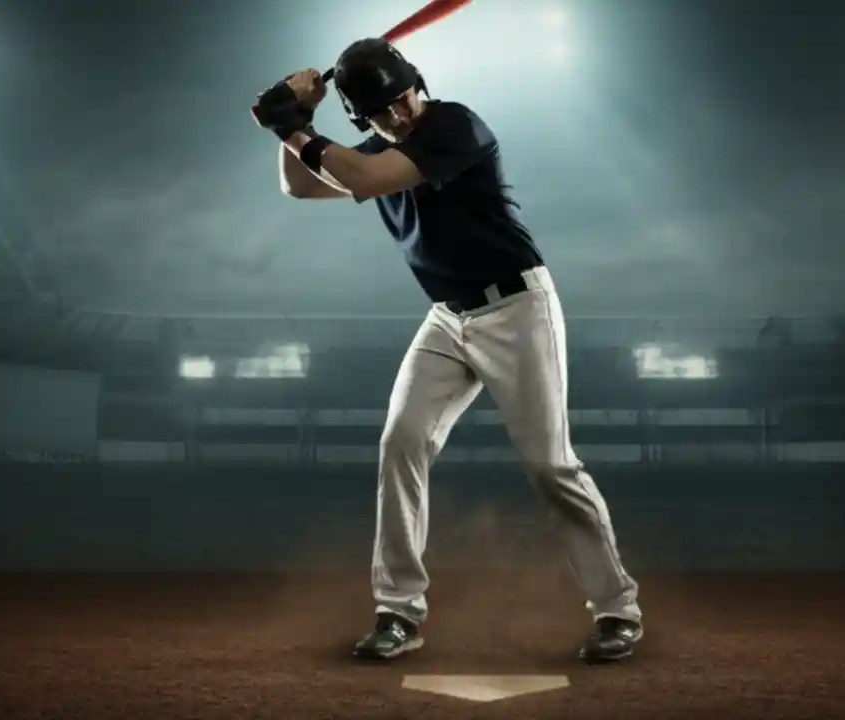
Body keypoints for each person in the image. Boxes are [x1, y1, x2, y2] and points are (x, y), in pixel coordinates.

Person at [252, 38, 643, 663]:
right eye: (380, 110)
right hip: (448, 316)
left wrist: (295, 123)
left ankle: (617, 609)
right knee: (401, 442)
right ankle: (398, 611)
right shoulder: (377, 146)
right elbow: (301, 187)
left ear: (417, 83)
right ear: (363, 115)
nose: (397, 115)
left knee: (549, 465)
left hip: (517, 307)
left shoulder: (456, 125)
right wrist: (288, 126)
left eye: (401, 97)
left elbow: (364, 178)